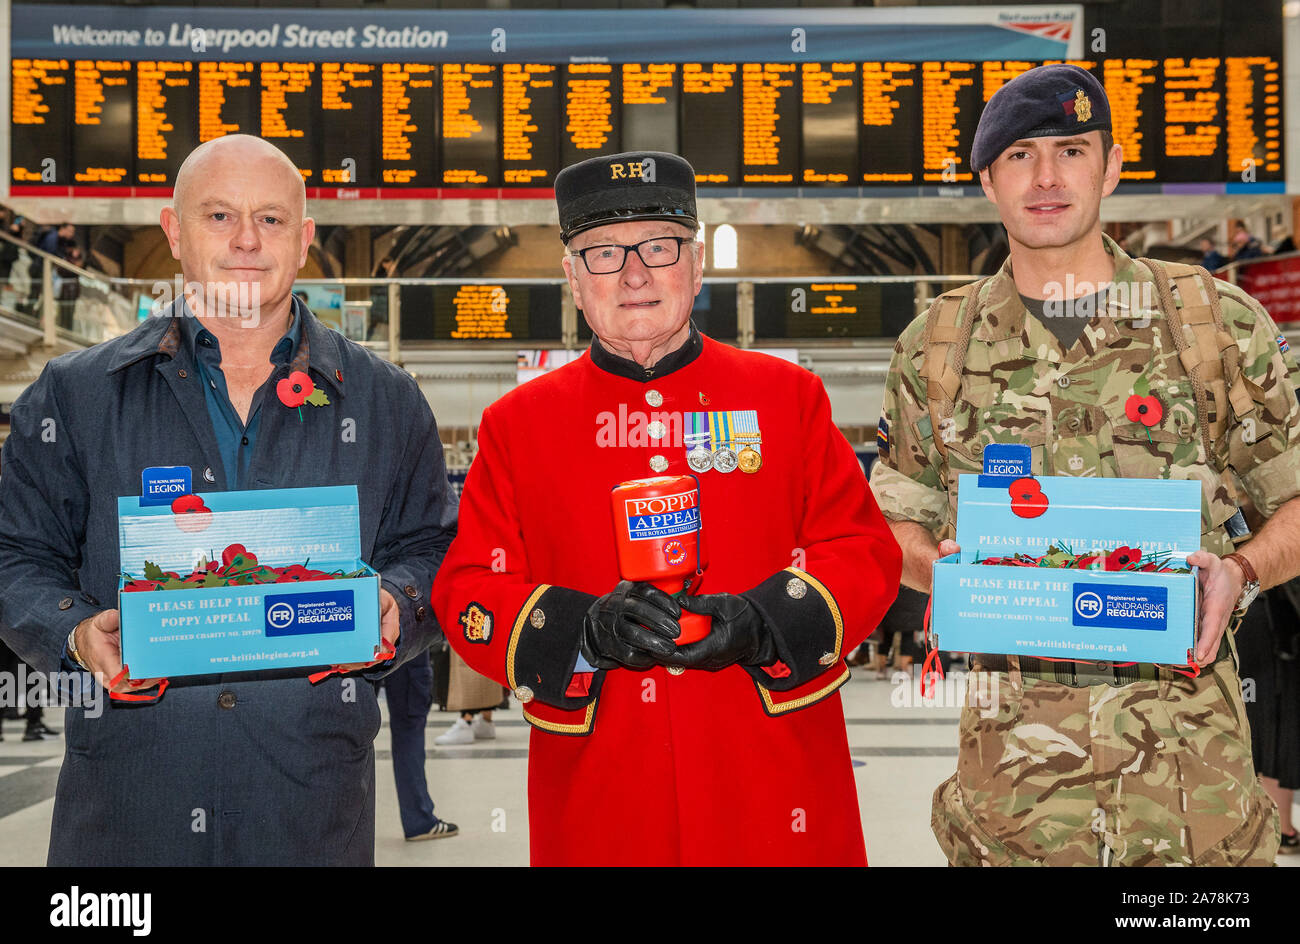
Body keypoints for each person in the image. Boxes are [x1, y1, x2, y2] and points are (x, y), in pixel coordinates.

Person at [870, 64, 1300, 866]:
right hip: (1015, 809)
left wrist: (1242, 568)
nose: (1045, 178)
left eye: (1071, 150)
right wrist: (949, 574)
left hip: (1191, 800)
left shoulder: (1212, 323)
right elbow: (895, 520)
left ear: (1112, 165)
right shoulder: (936, 347)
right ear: (987, 181)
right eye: (1019, 156)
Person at [431, 150, 901, 866]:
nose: (633, 273)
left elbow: (865, 552)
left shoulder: (788, 398)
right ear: (570, 275)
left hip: (775, 788)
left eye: (658, 245)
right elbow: (469, 589)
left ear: (697, 259)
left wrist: (766, 621)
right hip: (601, 799)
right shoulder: (515, 425)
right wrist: (581, 632)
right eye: (601, 253)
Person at [0, 134, 457, 865]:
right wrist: (76, 633)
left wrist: (400, 603)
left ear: (304, 240)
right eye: (218, 217)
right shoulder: (75, 395)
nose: (247, 240)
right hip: (127, 814)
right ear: (174, 233)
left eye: (271, 220)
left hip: (310, 815)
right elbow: (16, 556)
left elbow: (435, 550)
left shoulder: (386, 401)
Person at [380, 649, 460, 841]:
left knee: (353, 730)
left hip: (357, 629)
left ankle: (340, 825)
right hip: (408, 638)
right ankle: (418, 819)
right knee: (409, 727)